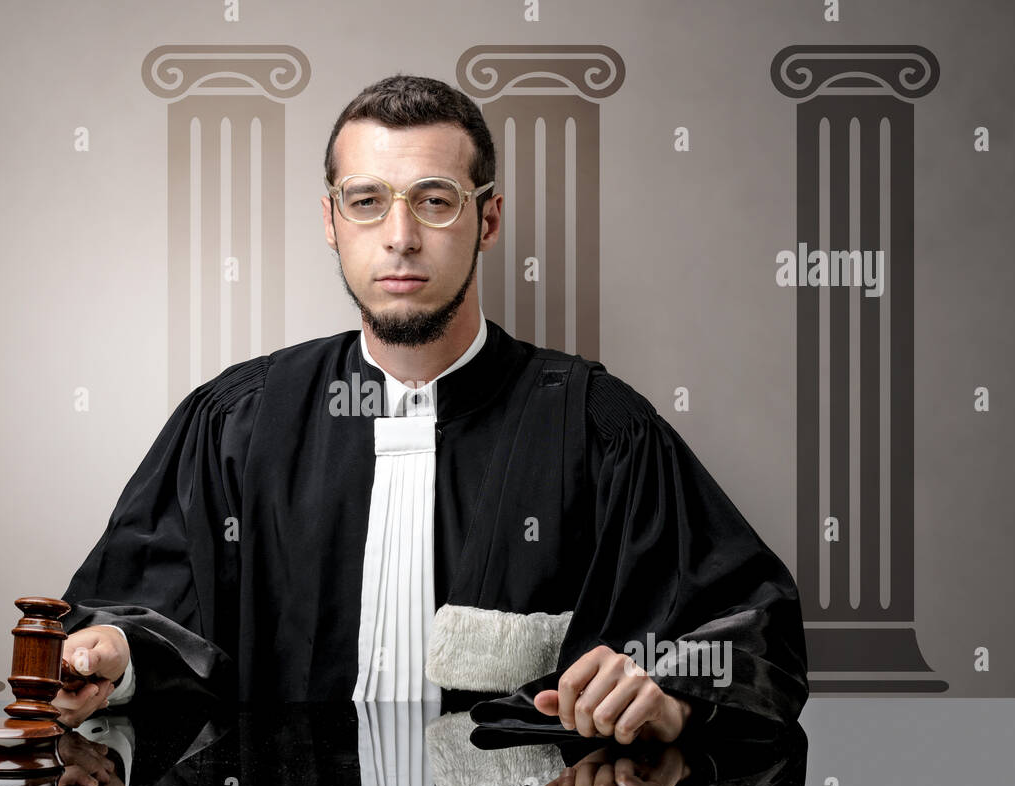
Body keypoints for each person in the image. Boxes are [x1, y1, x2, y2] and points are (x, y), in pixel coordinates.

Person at [54, 74, 809, 745]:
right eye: (367, 201)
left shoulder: (599, 430)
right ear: (331, 220)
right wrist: (117, 661)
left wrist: (669, 694)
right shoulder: (235, 427)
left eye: (435, 202)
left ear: (488, 219)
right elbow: (132, 621)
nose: (401, 237)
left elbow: (752, 633)